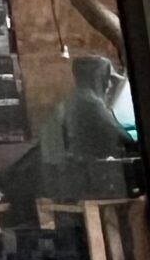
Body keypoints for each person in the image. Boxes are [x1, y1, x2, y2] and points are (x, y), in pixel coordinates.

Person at [36, 54, 132, 199]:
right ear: (98, 78)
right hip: (89, 180)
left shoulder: (73, 99)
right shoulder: (91, 103)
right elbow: (123, 138)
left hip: (73, 178)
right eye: (108, 78)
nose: (110, 85)